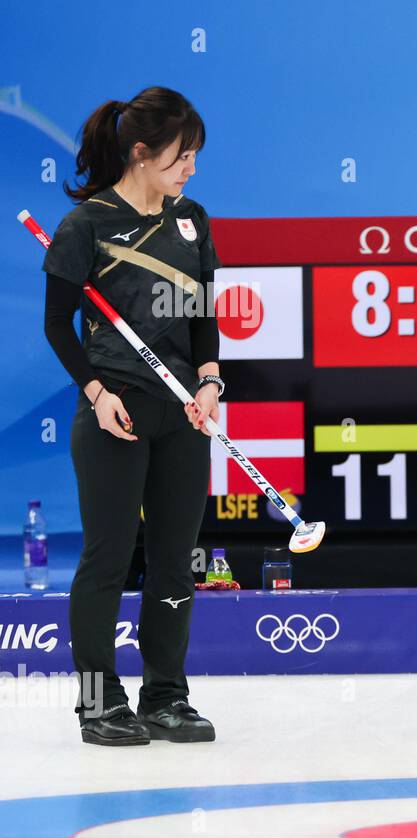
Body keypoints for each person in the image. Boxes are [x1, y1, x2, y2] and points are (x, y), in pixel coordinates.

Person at [42, 87, 223, 745]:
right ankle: (97, 703)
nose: (191, 168)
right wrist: (95, 391)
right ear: (142, 153)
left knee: (176, 562)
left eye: (197, 156)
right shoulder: (87, 225)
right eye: (182, 155)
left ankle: (166, 696)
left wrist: (209, 381)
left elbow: (204, 314)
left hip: (183, 418)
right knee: (107, 561)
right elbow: (57, 322)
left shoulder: (193, 219)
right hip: (114, 413)